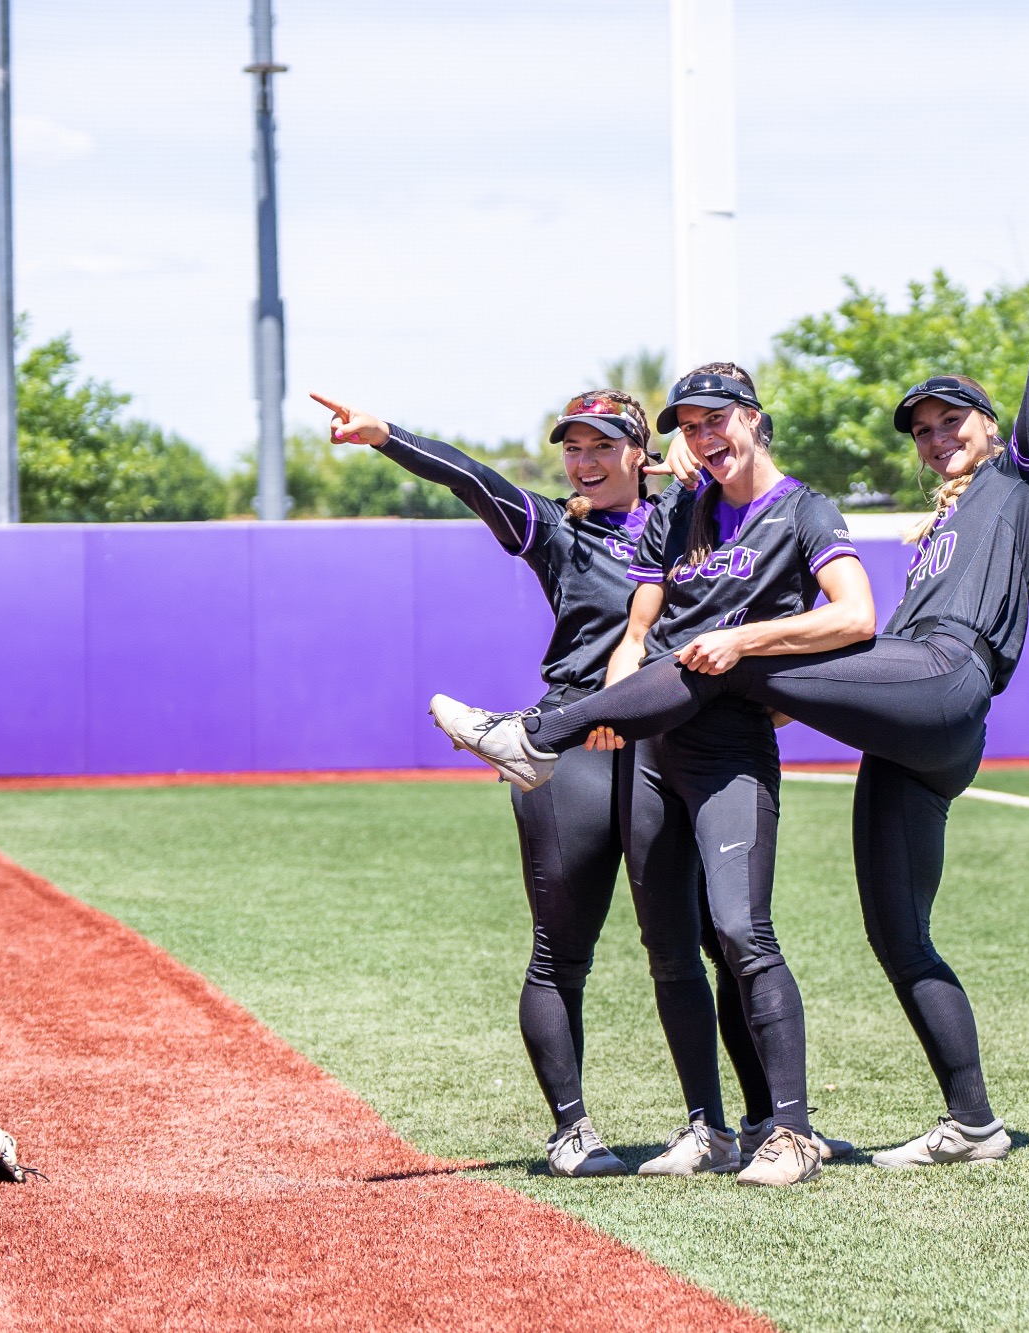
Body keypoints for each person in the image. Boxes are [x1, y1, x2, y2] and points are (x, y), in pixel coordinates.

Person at [434, 182, 1029, 1169]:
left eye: (953, 420)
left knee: (730, 654)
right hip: (910, 731)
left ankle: (536, 734)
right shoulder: (929, 522)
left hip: (948, 678)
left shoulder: (1019, 476)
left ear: (993, 426)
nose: (938, 436)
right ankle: (973, 1121)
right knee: (897, 934)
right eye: (922, 429)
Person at [308, 386, 792, 1180]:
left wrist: (694, 466)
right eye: (573, 447)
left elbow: (756, 488)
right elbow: (473, 480)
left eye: (603, 444)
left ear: (640, 451)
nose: (585, 460)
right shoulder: (558, 530)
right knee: (561, 955)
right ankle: (572, 1131)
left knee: (700, 942)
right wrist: (385, 435)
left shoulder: (687, 516)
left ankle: (736, 1124)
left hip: (663, 747)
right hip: (573, 752)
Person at [433, 363, 876, 1186]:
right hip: (622, 748)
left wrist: (750, 649)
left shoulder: (756, 508)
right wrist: (620, 705)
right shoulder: (632, 519)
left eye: (716, 420)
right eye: (690, 426)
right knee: (626, 950)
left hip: (699, 739)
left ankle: (780, 1127)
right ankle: (651, 1129)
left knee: (731, 935)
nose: (584, 460)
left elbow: (845, 612)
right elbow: (634, 631)